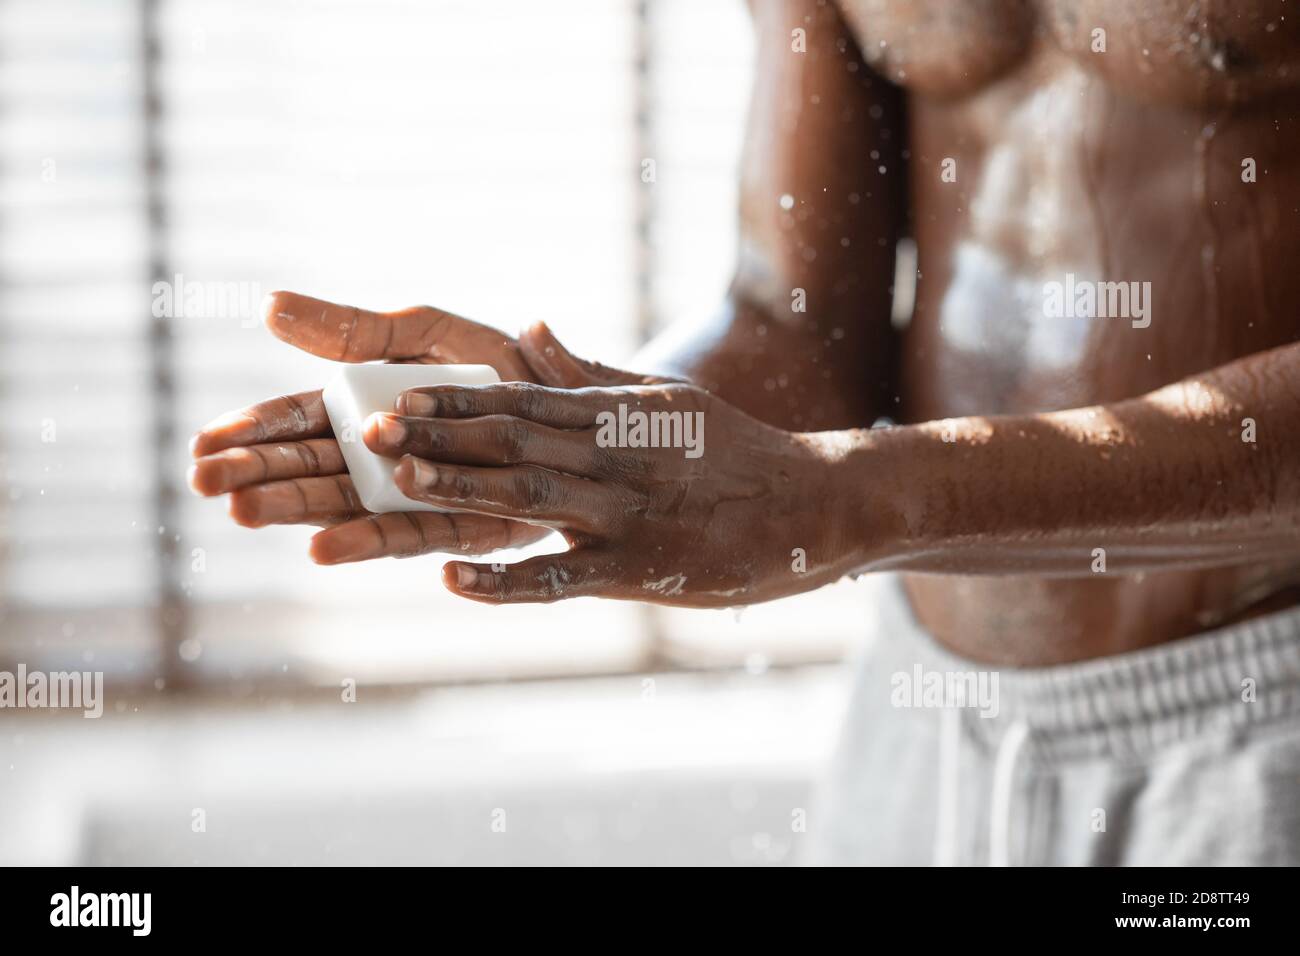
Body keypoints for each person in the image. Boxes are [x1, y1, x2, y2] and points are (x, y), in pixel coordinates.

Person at [189, 0, 1300, 865]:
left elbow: (842, 484)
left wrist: (851, 500)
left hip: (1264, 727)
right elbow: (794, 320)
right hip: (924, 717)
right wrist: (579, 427)